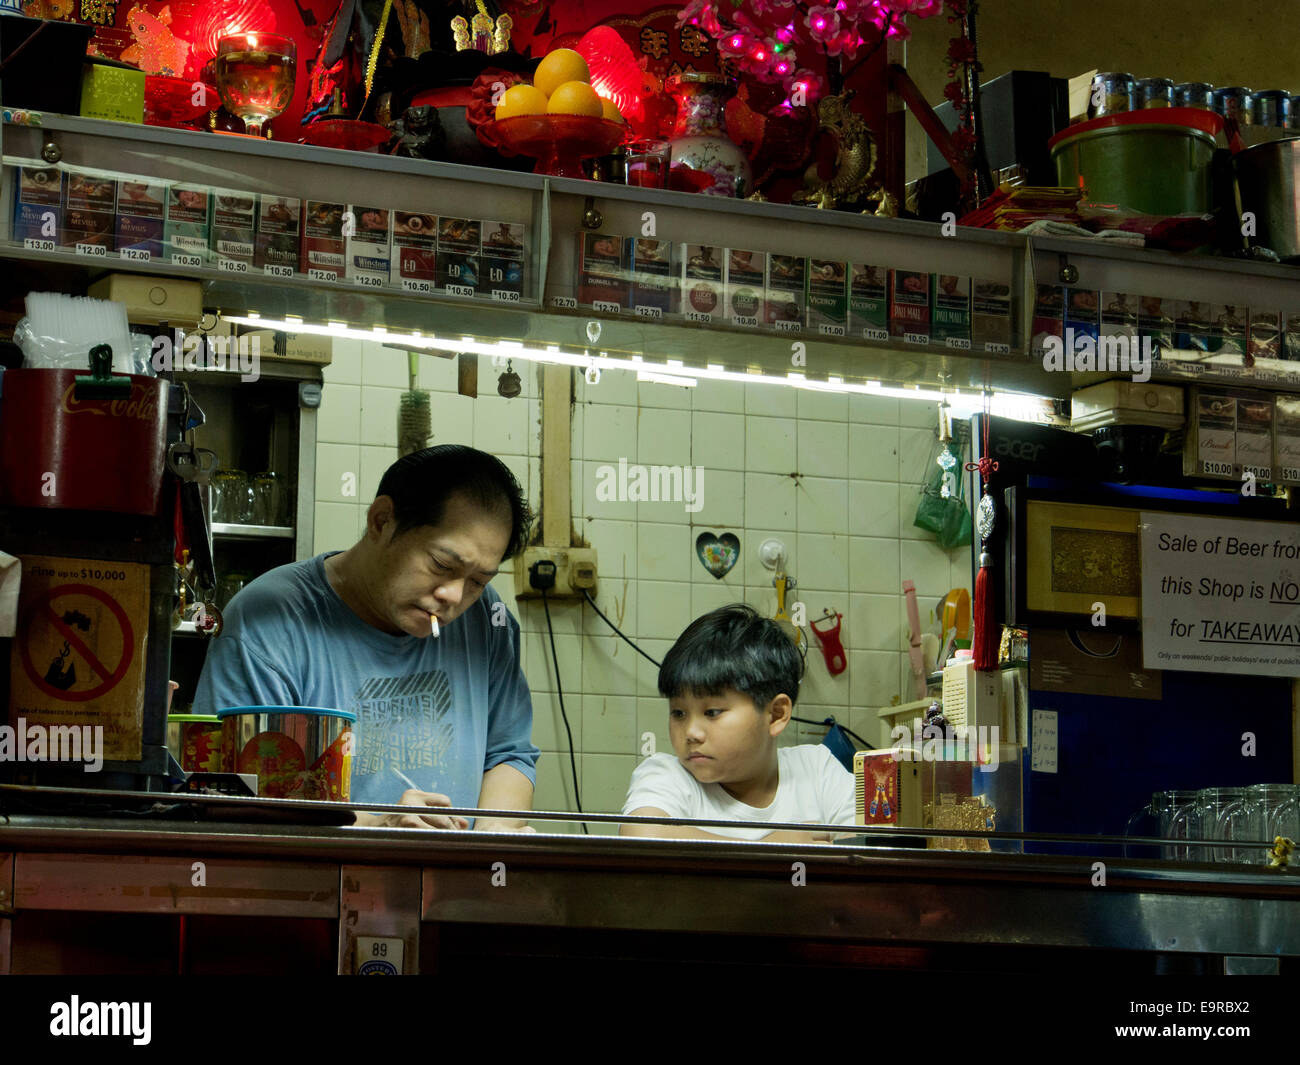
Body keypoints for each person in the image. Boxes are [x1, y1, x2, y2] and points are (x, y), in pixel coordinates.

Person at [193, 444, 538, 831]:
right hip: (311, 885)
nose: (454, 596)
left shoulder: (487, 622)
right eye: (442, 564)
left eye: (478, 580)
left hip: (451, 886)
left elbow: (509, 754)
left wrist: (489, 839)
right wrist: (378, 827)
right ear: (381, 520)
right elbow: (238, 798)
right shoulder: (269, 621)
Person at [620, 604, 855, 842]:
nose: (691, 733)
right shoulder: (667, 775)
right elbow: (642, 836)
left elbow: (868, 847)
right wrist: (768, 851)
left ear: (775, 715)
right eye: (679, 713)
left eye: (711, 712)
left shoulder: (816, 769)